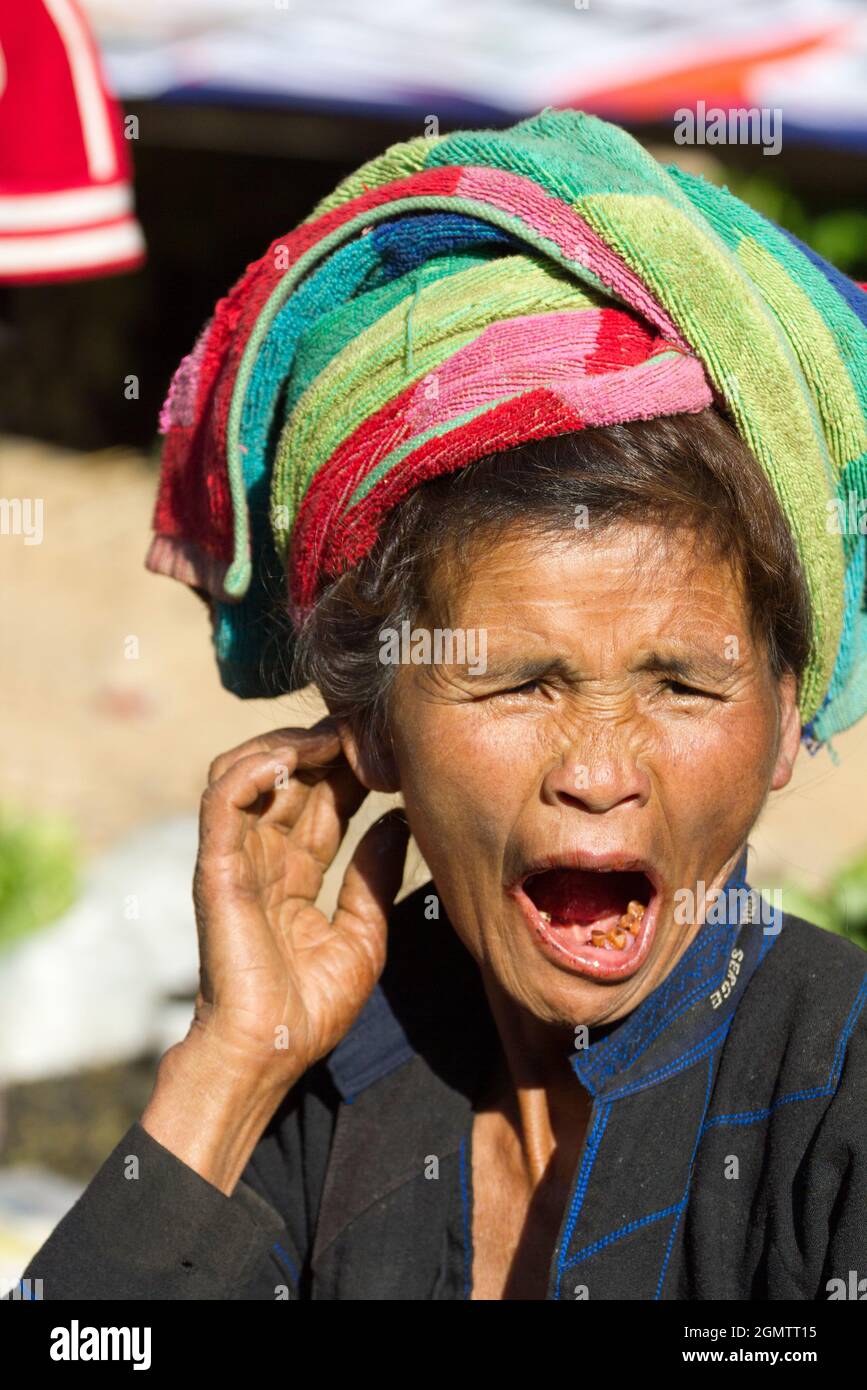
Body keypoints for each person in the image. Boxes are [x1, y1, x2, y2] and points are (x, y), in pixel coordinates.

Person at [10, 107, 867, 1301]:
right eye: (517, 680)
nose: (601, 770)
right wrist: (228, 1067)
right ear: (367, 726)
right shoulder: (330, 1083)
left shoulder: (837, 1099)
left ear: (784, 713)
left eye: (682, 683)